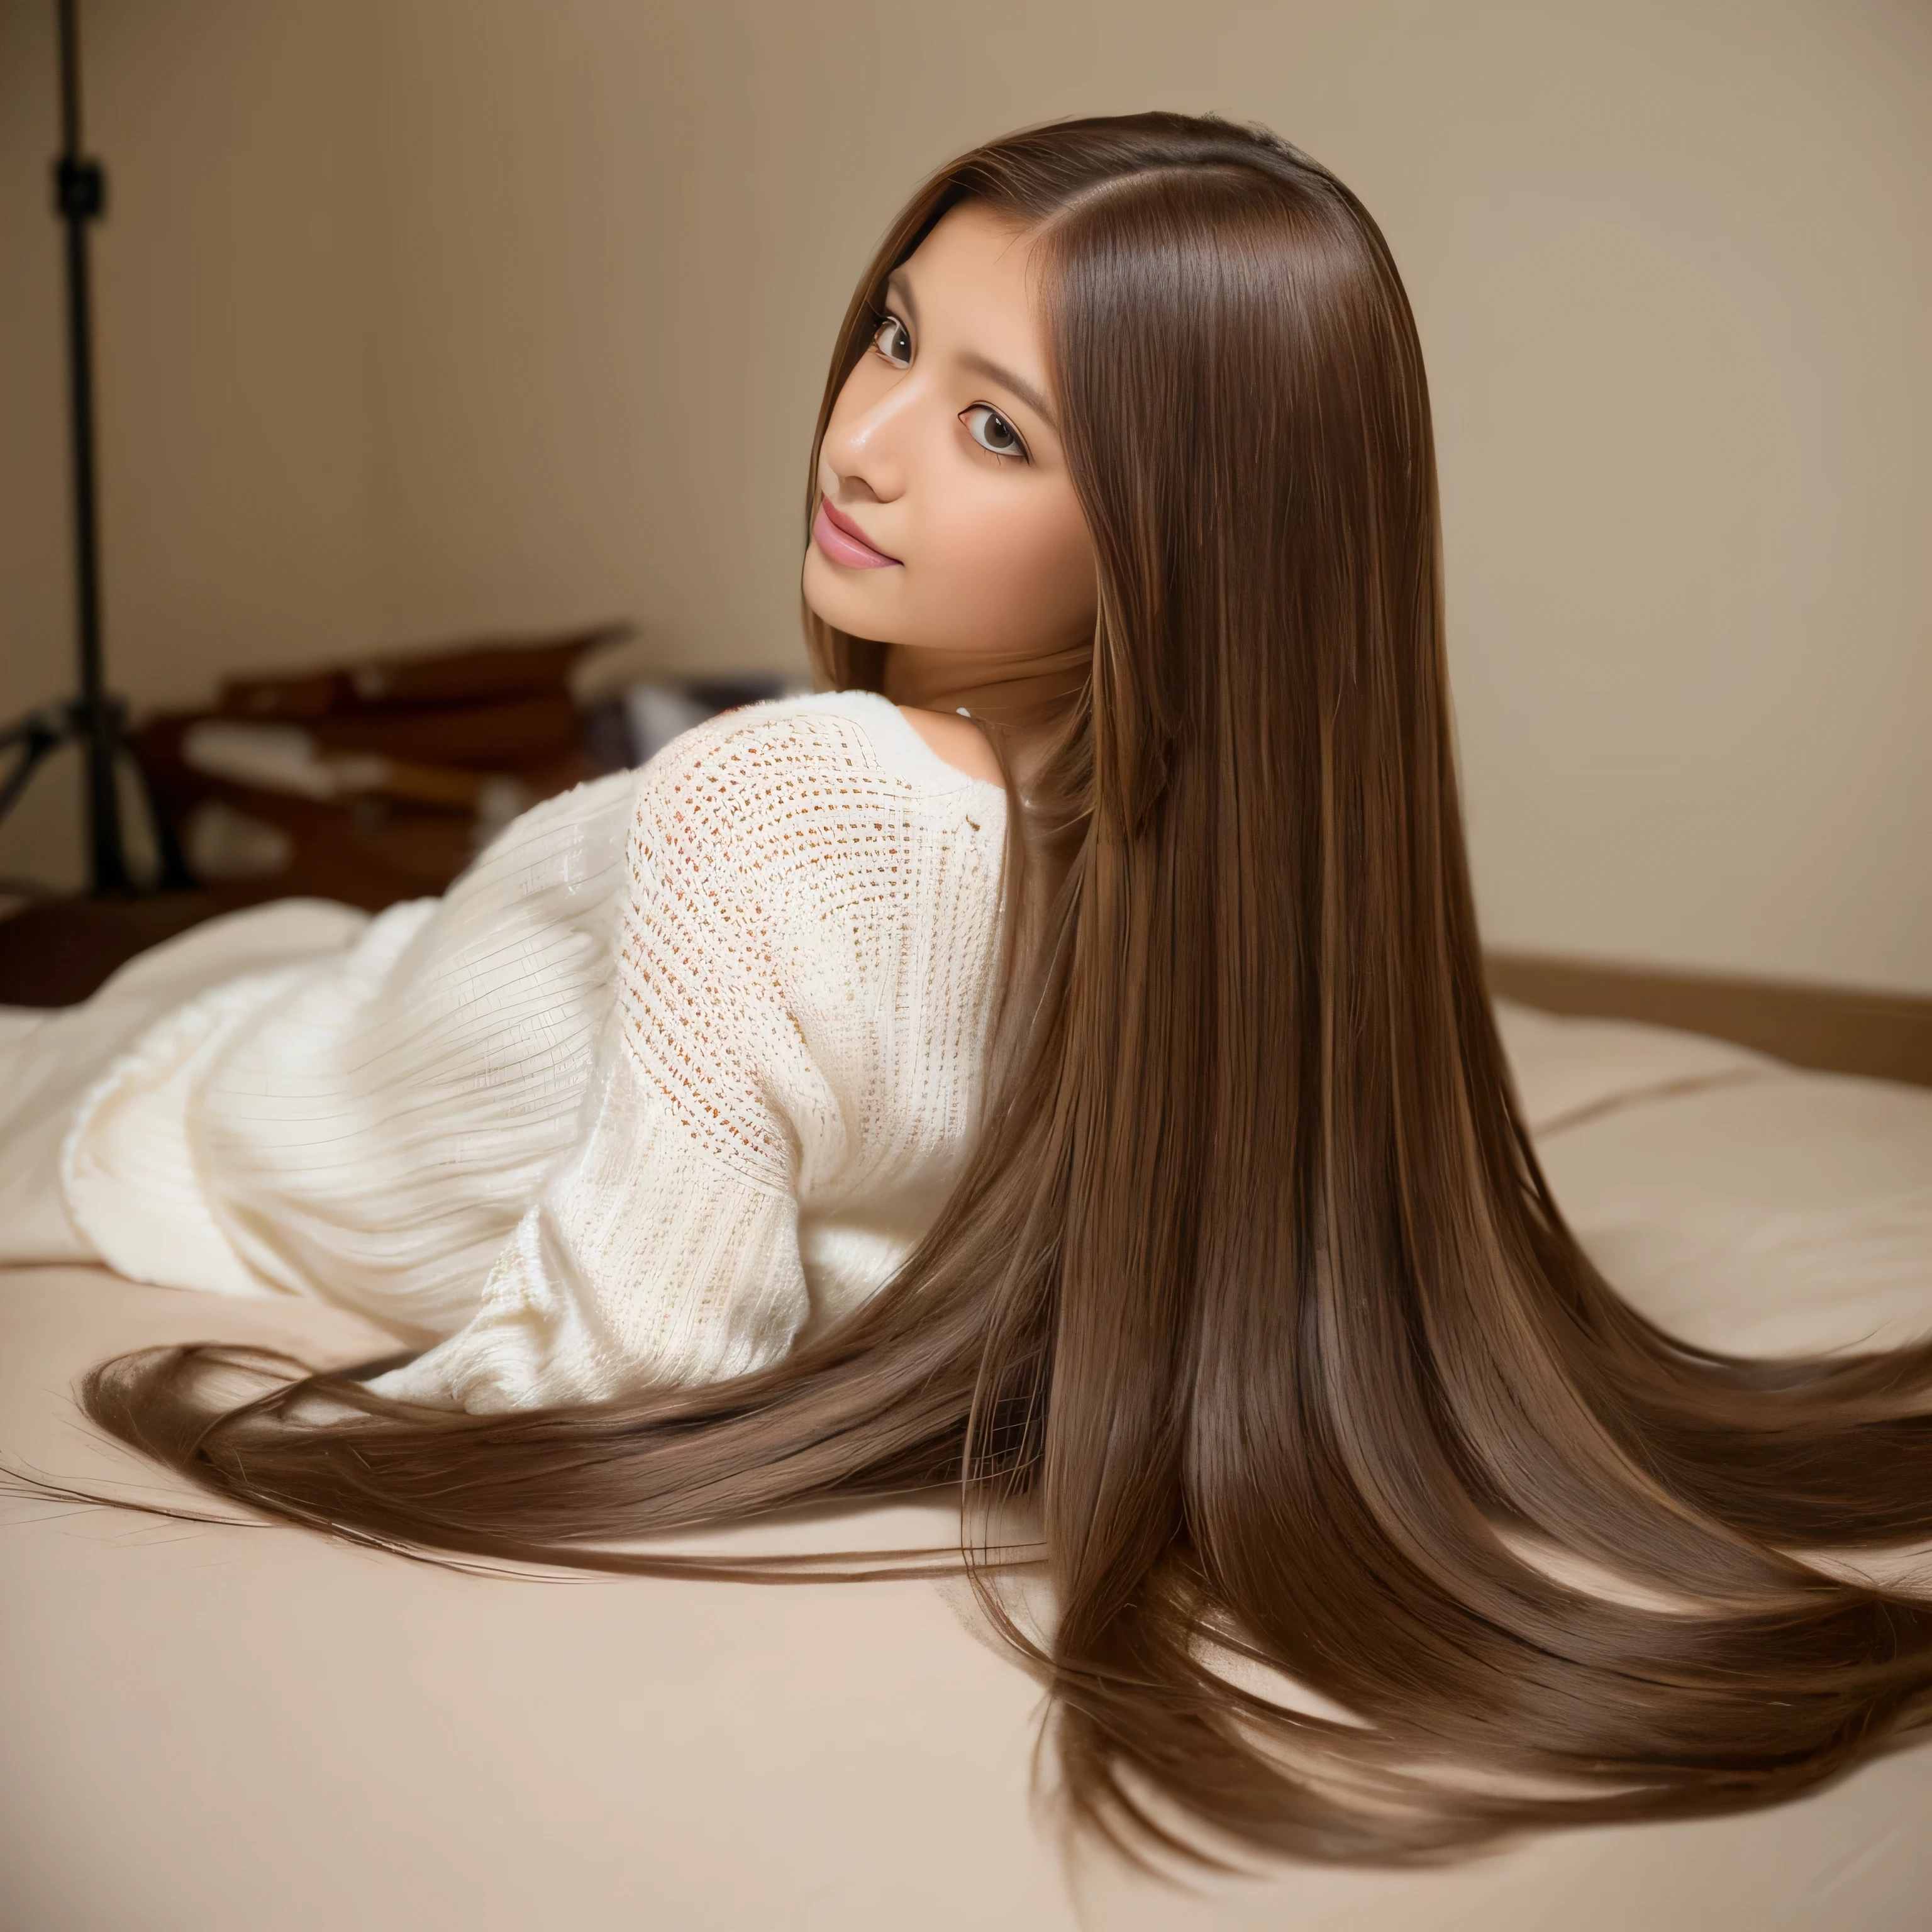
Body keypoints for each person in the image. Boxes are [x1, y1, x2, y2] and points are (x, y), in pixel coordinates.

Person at [5, 112, 1931, 1867]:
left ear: (1187, 552)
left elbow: (624, 1364)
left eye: (1001, 428)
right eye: (899, 336)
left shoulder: (772, 807)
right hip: (302, 1020)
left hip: (217, 1088)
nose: (863, 435)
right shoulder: (1247, 911)